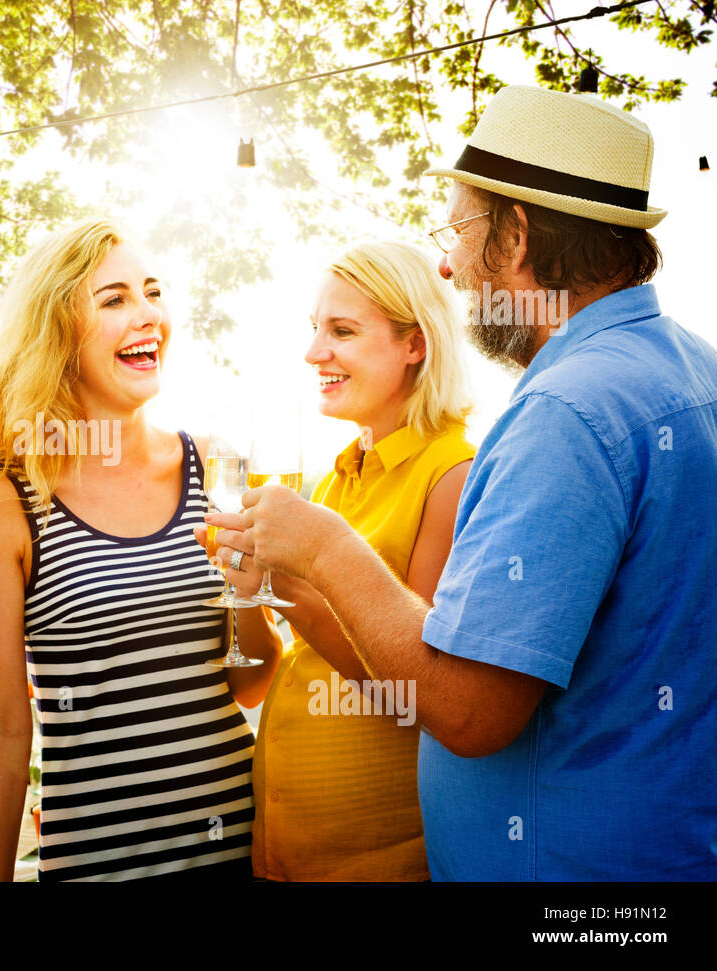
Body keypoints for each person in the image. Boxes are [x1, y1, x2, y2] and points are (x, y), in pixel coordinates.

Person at [213, 85, 717, 880]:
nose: (448, 264)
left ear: (514, 235)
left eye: (458, 230)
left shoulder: (563, 410)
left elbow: (469, 710)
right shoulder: (696, 372)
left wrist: (327, 550)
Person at [0, 218, 282, 882]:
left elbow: (252, 680)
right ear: (56, 331)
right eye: (115, 299)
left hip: (242, 849)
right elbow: (2, 722)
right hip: (92, 864)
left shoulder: (213, 464)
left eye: (153, 293)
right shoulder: (2, 498)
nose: (149, 315)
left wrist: (250, 597)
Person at [211, 240, 474, 880]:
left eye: (343, 331)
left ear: (415, 343)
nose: (313, 352)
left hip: (375, 856)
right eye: (314, 329)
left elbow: (419, 686)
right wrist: (249, 588)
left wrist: (292, 586)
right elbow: (286, 659)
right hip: (281, 846)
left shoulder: (451, 475)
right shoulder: (336, 478)